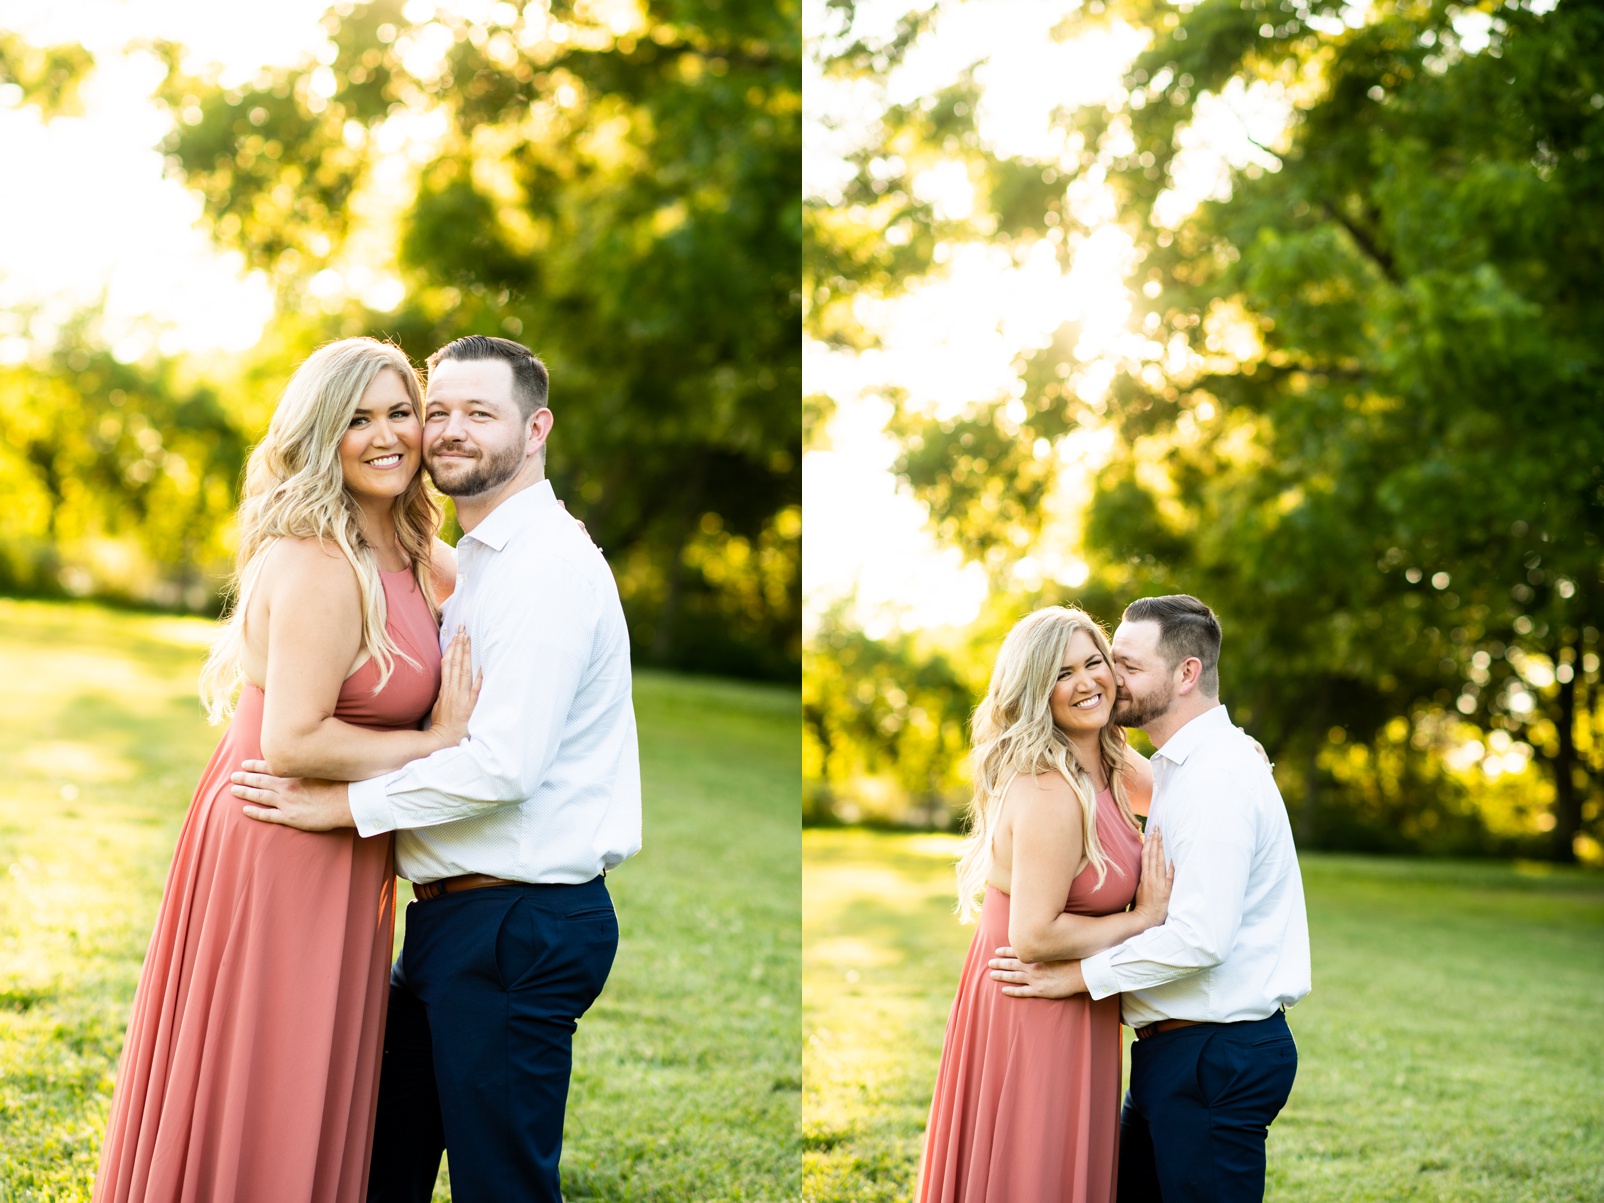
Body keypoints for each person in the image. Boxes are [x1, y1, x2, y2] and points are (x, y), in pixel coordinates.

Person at [228, 334, 642, 1203]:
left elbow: (501, 767)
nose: (447, 430)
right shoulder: (473, 559)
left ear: (536, 430)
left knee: (501, 1186)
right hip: (454, 923)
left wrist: (344, 805)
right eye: (438, 408)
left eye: (478, 413)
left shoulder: (545, 570)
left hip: (515, 921)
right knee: (383, 1167)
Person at [94, 337, 478, 1203]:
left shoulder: (415, 550)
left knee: (315, 1068)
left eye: (399, 412)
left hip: (344, 841)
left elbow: (504, 589)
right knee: (265, 1067)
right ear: (320, 436)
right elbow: (295, 740)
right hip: (279, 838)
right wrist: (439, 743)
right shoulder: (317, 560)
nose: (386, 436)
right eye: (358, 418)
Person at [988, 594, 1311, 1203]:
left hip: (1213, 1051)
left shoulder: (1216, 778)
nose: (1109, 680)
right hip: (1178, 1051)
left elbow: (1199, 939)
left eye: (1124, 665)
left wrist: (1080, 976)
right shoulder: (1186, 765)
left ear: (1186, 674)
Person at [916, 606, 1174, 1203]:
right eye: (1063, 674)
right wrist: (1144, 919)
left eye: (1094, 663)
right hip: (1034, 1003)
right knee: (1033, 1172)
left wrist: (1239, 758)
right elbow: (1033, 935)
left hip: (1076, 996)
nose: (1087, 683)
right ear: (1036, 691)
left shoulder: (1107, 758)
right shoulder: (1050, 789)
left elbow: (1184, 787)